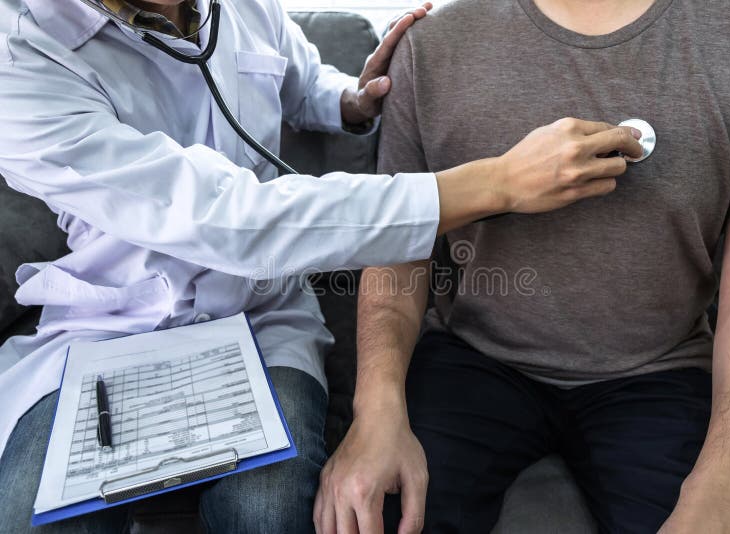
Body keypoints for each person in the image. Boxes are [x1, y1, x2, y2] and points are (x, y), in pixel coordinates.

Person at [0, 0, 646, 532]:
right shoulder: (19, 53)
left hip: (258, 317)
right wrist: (498, 183)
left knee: (268, 512)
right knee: (38, 516)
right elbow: (229, 219)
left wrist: (356, 101)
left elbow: (301, 84)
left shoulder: (244, 7)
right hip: (109, 326)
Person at [316, 0, 730, 533]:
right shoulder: (430, 45)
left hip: (661, 367)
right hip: (472, 357)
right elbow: (397, 252)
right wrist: (375, 413)